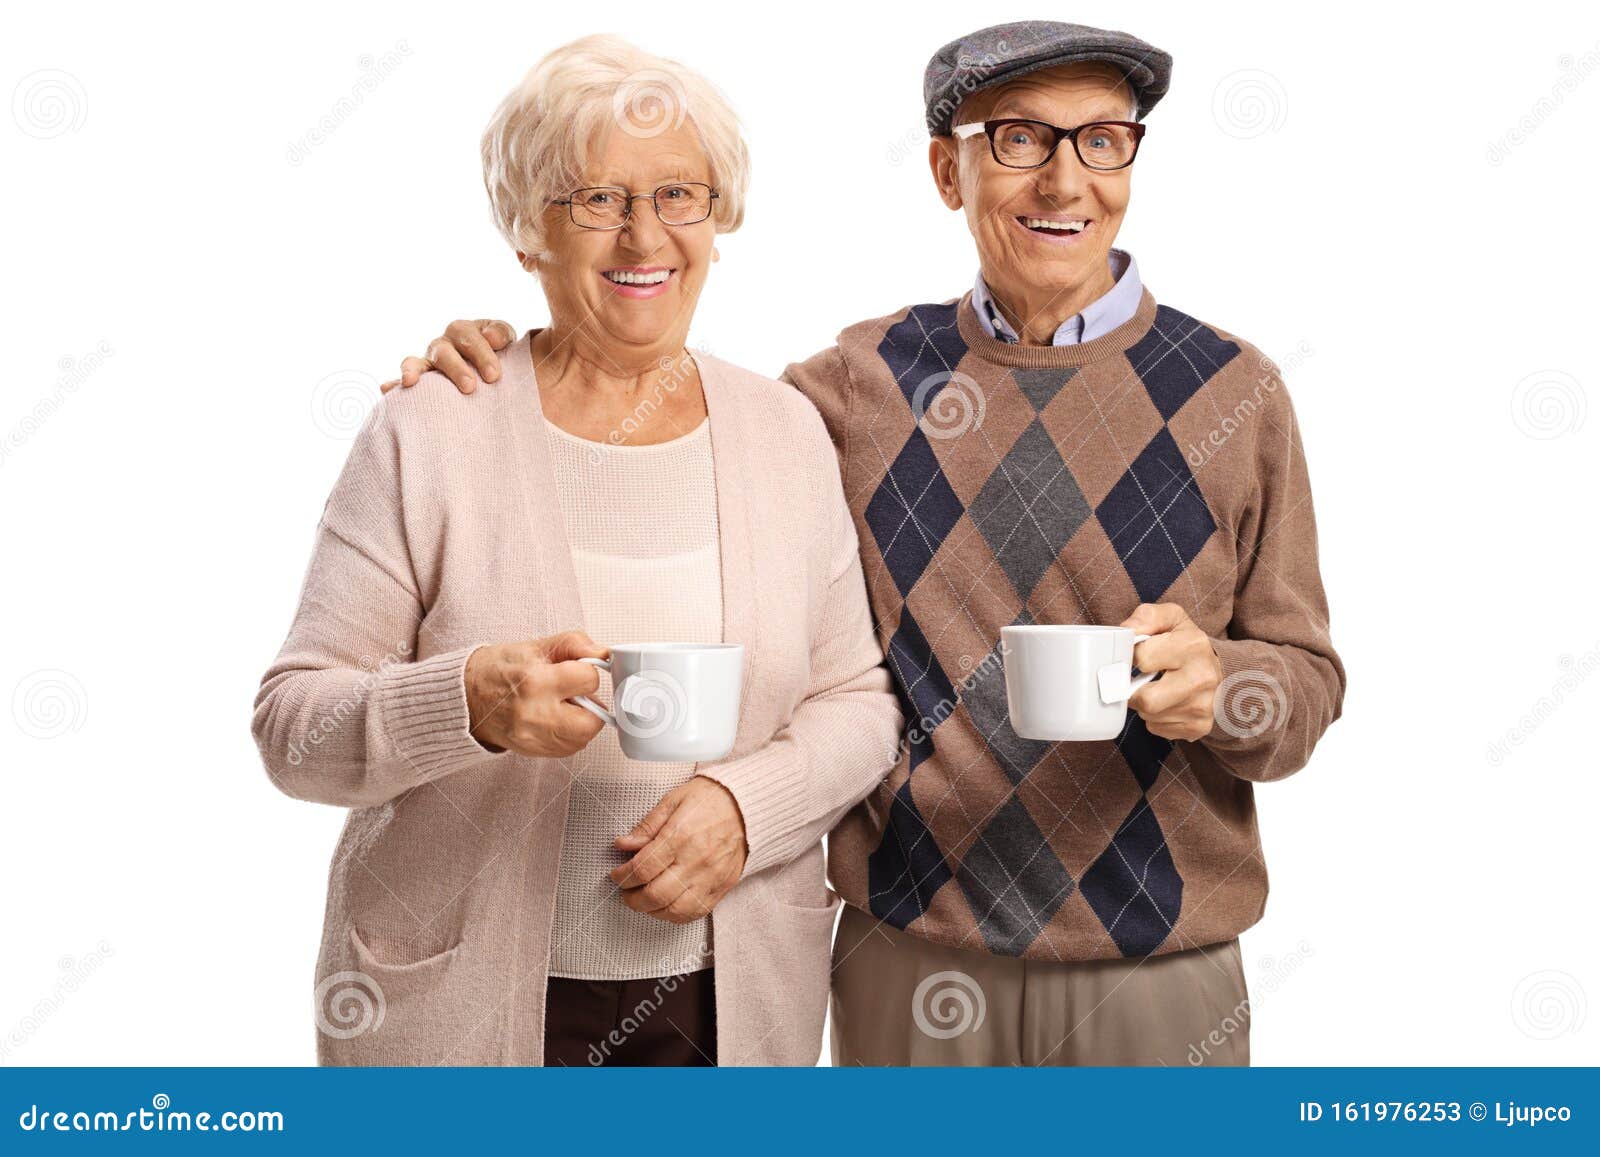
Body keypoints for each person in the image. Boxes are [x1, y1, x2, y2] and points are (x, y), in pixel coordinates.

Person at [378, 20, 1346, 1066]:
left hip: (1161, 969)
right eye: (1019, 138)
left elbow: (1305, 682)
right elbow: (650, 402)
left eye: (1102, 140)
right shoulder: (851, 390)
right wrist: (495, 360)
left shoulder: (1234, 393)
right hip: (908, 960)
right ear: (946, 168)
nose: (1065, 180)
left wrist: (1227, 689)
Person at [252, 34, 901, 1067]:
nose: (644, 236)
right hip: (452, 1012)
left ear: (716, 218)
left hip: (728, 1011)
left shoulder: (783, 430)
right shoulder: (432, 428)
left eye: (678, 194)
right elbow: (291, 729)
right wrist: (463, 701)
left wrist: (746, 805)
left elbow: (861, 704)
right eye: (594, 199)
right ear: (526, 233)